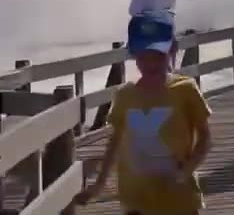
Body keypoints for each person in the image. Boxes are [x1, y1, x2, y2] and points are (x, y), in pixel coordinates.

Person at [74, 13, 212, 215]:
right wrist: (99, 184)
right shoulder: (125, 95)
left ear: (172, 50)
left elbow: (205, 137)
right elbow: (115, 143)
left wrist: (186, 171)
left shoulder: (185, 89)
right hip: (136, 201)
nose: (151, 63)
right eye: (143, 56)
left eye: (158, 55)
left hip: (178, 200)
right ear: (134, 55)